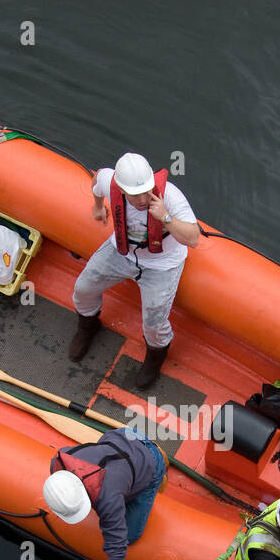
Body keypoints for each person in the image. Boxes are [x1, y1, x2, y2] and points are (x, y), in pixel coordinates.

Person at [67, 152, 201, 388]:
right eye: (135, 194)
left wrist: (166, 217)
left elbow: (192, 239)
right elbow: (97, 182)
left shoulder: (170, 196)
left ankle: (156, 355)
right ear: (120, 187)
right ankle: (88, 325)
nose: (142, 199)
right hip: (122, 252)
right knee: (83, 288)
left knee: (153, 320)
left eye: (146, 191)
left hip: (162, 264)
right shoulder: (110, 181)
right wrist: (98, 207)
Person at [42, 426, 167, 560]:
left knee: (130, 535)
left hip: (149, 459)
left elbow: (118, 549)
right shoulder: (59, 460)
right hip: (119, 435)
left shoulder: (108, 497)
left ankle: (161, 461)